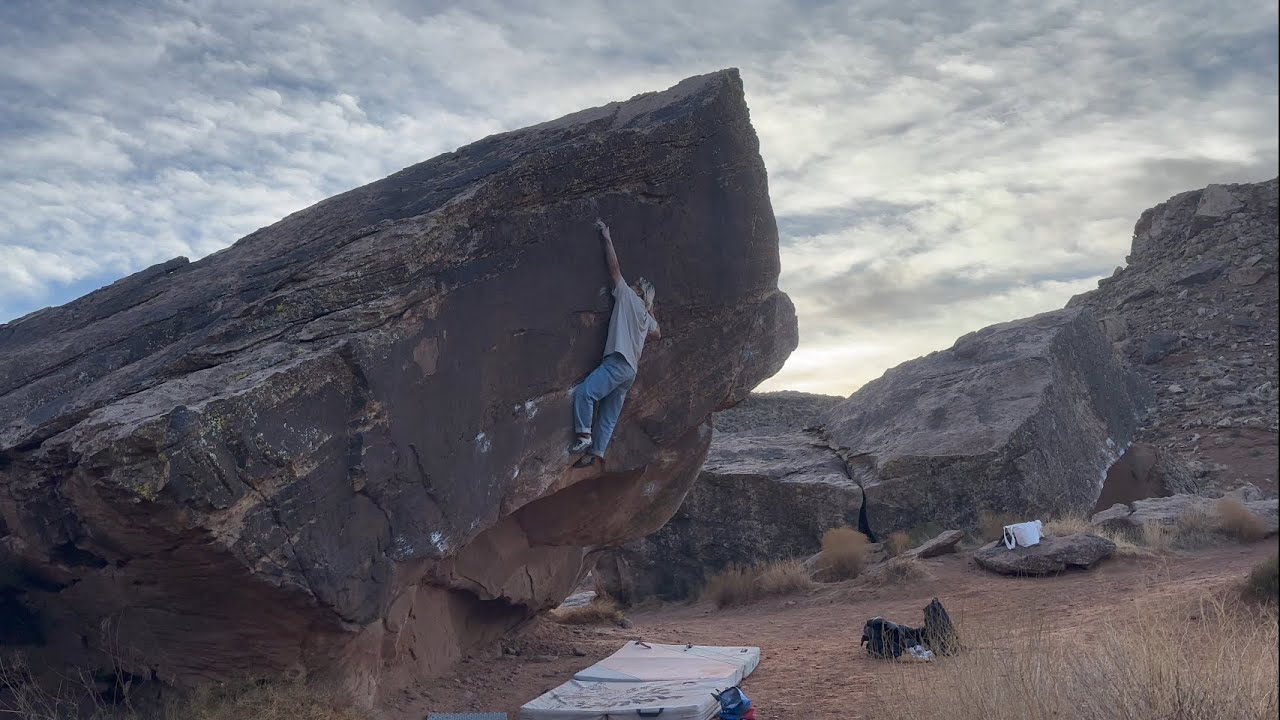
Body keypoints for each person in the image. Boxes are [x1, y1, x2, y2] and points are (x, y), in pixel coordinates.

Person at [568, 219, 660, 468]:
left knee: (585, 393)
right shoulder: (645, 315)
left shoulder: (628, 298)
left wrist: (606, 237)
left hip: (617, 361)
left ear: (638, 291)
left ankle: (584, 436)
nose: (631, 285)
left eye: (635, 285)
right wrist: (650, 308)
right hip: (630, 371)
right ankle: (597, 451)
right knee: (609, 414)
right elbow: (658, 333)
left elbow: (615, 270)